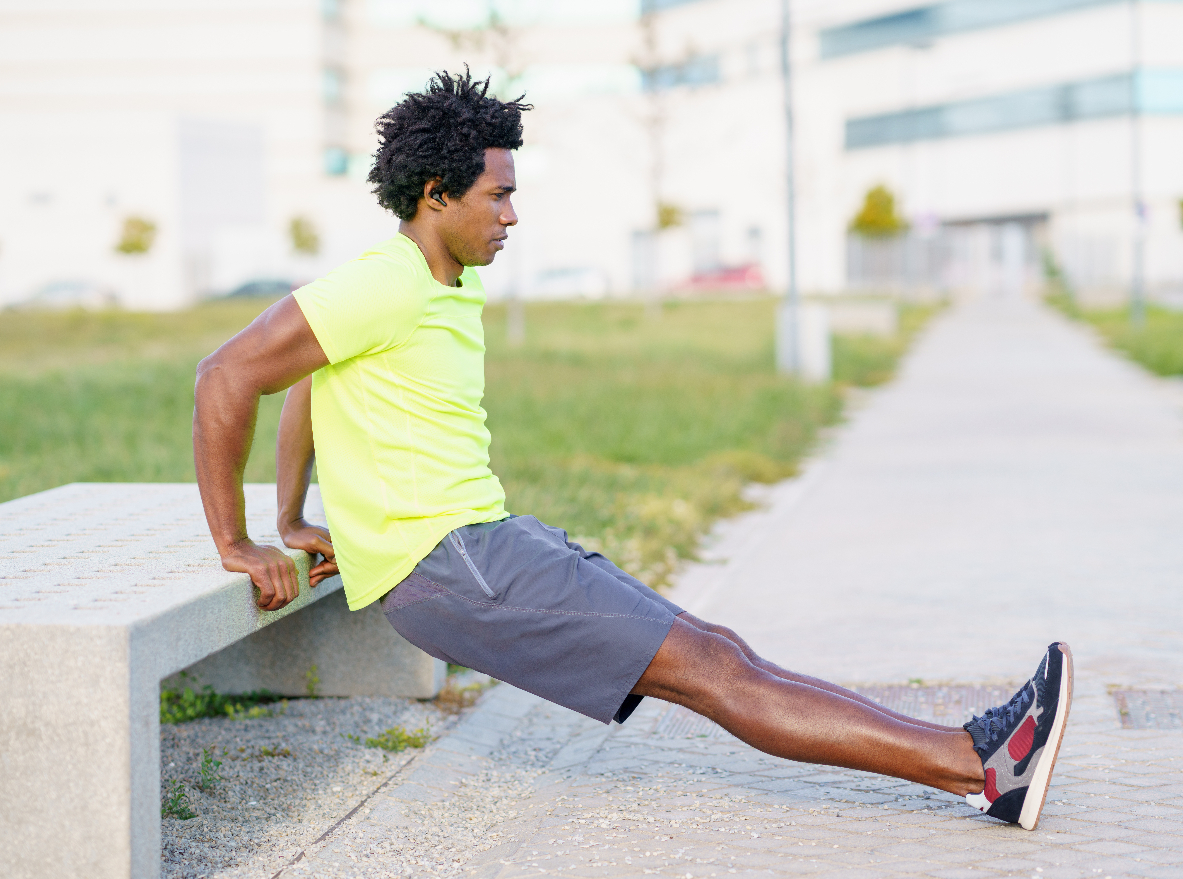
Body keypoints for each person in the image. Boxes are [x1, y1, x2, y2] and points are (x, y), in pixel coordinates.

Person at [192, 71, 1072, 832]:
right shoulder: (385, 279)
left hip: (480, 543)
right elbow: (226, 375)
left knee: (718, 649)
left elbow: (308, 377)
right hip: (454, 565)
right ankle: (978, 763)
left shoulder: (426, 284)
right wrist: (240, 539)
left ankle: (977, 754)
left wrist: (294, 515)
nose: (512, 214)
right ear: (436, 195)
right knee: (716, 673)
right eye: (496, 195)